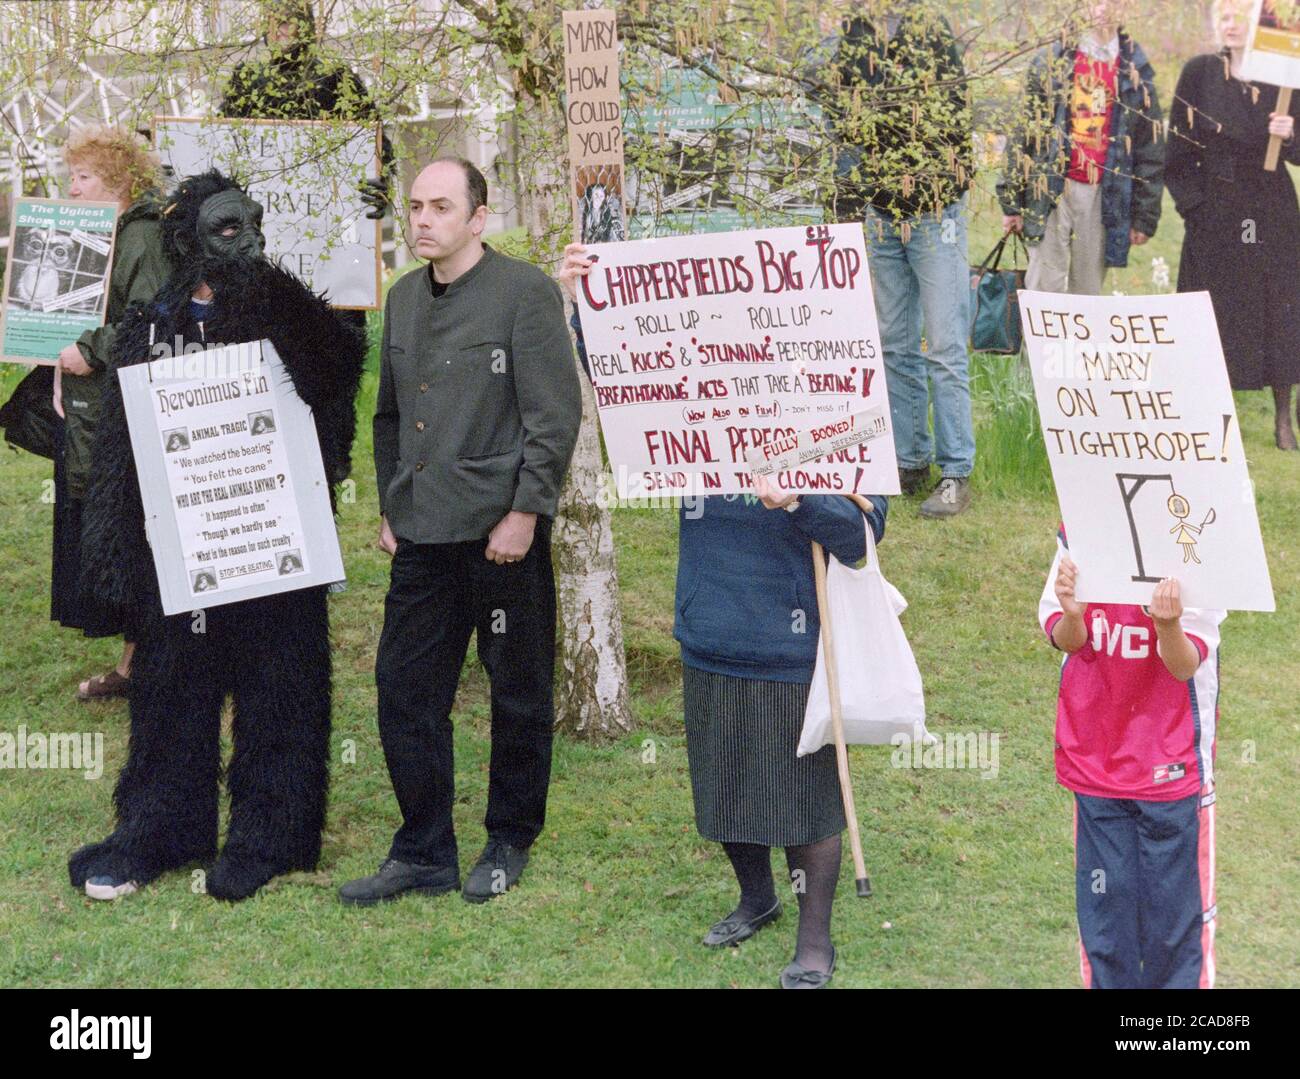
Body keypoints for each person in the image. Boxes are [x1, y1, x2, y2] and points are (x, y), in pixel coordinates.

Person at [558, 242, 888, 989]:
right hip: (710, 625)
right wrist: (587, 310)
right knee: (726, 789)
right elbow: (631, 379)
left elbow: (865, 538)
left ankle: (814, 940)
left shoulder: (843, 407)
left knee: (804, 806)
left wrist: (802, 498)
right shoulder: (694, 391)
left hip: (791, 643)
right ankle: (756, 895)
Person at [67, 170, 364, 902]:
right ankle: (161, 828)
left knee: (280, 689)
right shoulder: (148, 327)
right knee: (169, 693)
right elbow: (119, 447)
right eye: (227, 228)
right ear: (187, 236)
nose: (246, 238)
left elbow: (338, 371)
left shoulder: (285, 315)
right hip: (177, 549)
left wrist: (277, 298)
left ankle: (272, 836)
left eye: (252, 224)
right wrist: (115, 552)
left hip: (272, 536)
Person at [338, 158, 581, 907]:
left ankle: (509, 838)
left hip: (499, 534)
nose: (421, 220)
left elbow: (553, 417)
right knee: (403, 689)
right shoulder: (404, 298)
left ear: (479, 218)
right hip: (421, 534)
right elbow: (387, 417)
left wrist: (525, 512)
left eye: (440, 207)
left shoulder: (524, 294)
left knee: (516, 691)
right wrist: (391, 505)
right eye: (414, 207)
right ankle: (423, 850)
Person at [1039, 529, 1225, 988]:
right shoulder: (1080, 528)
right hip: (1096, 765)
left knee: (1176, 931)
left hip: (1171, 768)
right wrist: (1074, 615)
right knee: (1106, 923)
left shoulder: (1196, 537)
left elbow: (1184, 665)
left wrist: (1166, 624)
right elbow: (1067, 639)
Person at [818, 3, 976, 517]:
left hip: (933, 213)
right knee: (894, 343)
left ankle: (956, 471)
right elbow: (842, 119)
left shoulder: (930, 30)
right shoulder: (855, 34)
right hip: (881, 212)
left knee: (945, 345)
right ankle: (910, 462)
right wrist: (850, 199)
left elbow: (957, 115)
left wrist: (938, 186)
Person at [52, 127, 171, 701]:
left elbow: (150, 325)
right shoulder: (99, 234)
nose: (72, 189)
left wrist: (90, 350)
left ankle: (148, 668)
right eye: (70, 177)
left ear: (121, 180)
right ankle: (135, 664)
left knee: (135, 536)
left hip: (128, 413)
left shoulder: (142, 237)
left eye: (85, 177)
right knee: (119, 537)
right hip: (95, 410)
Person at [1166, 0, 1300, 450]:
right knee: (1213, 306)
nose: (1230, 26)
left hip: (1268, 207)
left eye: (1238, 18)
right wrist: (1195, 207)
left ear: (1256, 26)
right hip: (1217, 207)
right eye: (1223, 17)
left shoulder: (1282, 77)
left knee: (1277, 303)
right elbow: (1178, 145)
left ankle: (1284, 419)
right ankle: (1207, 414)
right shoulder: (1199, 72)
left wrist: (1291, 131)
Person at [998, 0, 1164, 296]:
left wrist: (1144, 216)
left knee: (1087, 292)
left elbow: (1149, 149)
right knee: (1043, 288)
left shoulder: (1135, 68)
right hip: (1050, 188)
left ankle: (1080, 343)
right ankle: (1040, 344)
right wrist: (1011, 201)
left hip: (1104, 192)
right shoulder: (1054, 60)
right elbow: (1024, 131)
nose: (1102, 8)